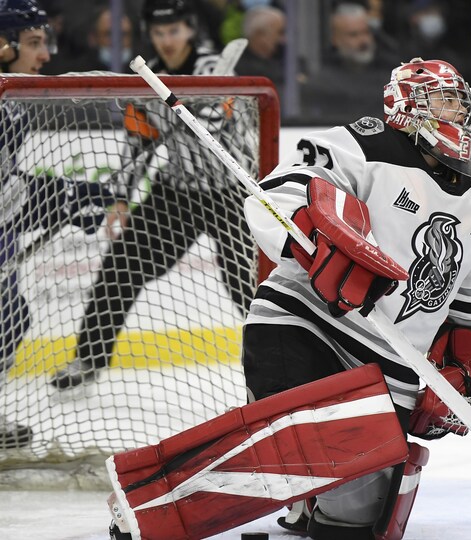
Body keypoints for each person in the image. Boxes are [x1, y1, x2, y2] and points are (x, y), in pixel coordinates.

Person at [107, 57, 471, 540]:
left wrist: (457, 369)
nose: (455, 111)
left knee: (358, 527)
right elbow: (280, 194)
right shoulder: (364, 143)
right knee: (287, 449)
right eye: (441, 100)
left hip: (392, 361)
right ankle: (151, 503)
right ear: (407, 106)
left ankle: (311, 504)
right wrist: (325, 241)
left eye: (458, 101)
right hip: (306, 324)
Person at [50, 0, 257, 389]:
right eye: (160, 33)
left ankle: (279, 368)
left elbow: (212, 125)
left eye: (175, 31)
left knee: (248, 285)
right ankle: (88, 360)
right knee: (121, 264)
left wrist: (180, 98)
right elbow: (138, 145)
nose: (167, 41)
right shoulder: (146, 77)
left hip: (236, 193)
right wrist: (122, 199)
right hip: (179, 190)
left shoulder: (214, 68)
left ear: (191, 30)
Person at [0, 0, 113, 447]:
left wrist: (67, 197)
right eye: (32, 43)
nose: (45, 55)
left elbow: (7, 183)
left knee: (9, 318)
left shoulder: (12, 103)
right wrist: (62, 199)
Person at [304, 2, 401, 123]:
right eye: (353, 35)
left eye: (366, 32)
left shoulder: (391, 74)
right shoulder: (322, 80)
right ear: (335, 39)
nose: (364, 41)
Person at [233, 4, 285, 84]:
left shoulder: (286, 56)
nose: (283, 39)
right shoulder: (236, 64)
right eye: (279, 32)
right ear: (259, 34)